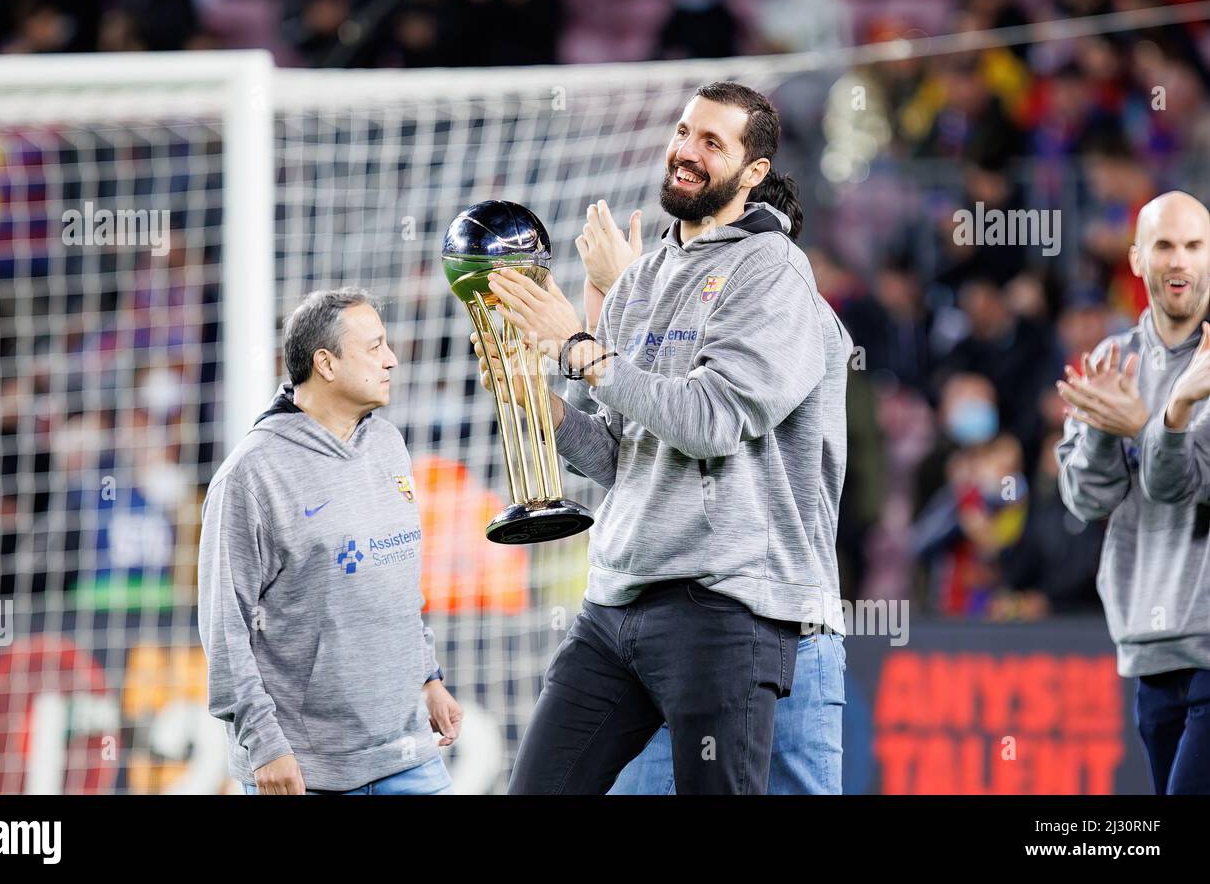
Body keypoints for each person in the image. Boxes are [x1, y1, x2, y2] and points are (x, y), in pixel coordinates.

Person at [478, 82, 851, 794]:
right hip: (615, 603)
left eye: (713, 142)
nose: (686, 151)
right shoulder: (640, 281)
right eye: (684, 132)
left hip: (725, 607)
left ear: (754, 174)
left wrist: (579, 348)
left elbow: (711, 422)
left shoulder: (774, 274)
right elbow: (618, 456)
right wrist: (535, 399)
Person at [570, 177, 846, 794]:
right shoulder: (653, 301)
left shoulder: (794, 310)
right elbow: (613, 462)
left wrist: (620, 301)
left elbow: (706, 423)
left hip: (784, 620)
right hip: (669, 622)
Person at [198, 287, 462, 795]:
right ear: (326, 363)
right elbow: (223, 625)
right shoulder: (252, 475)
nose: (392, 360)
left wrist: (428, 678)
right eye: (375, 346)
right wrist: (265, 744)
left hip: (408, 754)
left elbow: (397, 583)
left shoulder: (389, 444)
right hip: (304, 770)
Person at [1057, 190, 1210, 795]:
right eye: (1165, 245)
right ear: (1137, 260)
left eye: (1195, 246)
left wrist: (1162, 416)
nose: (1180, 261)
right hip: (1149, 649)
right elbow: (1084, 499)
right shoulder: (1109, 359)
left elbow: (1183, 485)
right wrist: (1103, 432)